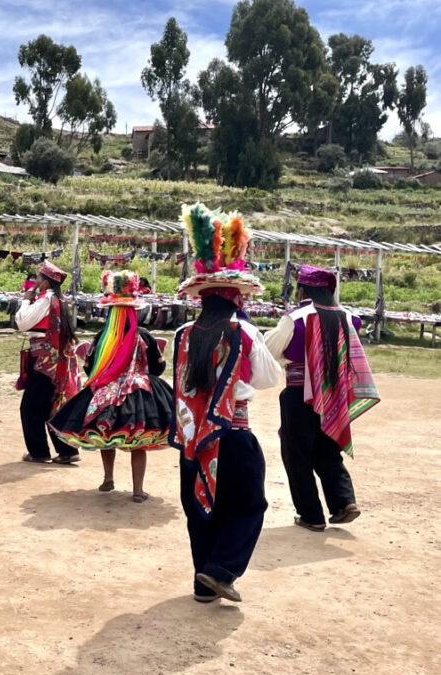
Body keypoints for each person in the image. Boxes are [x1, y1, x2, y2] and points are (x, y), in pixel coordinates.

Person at [170, 204, 282, 604]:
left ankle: (204, 585)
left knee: (200, 508)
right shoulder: (245, 333)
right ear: (237, 298)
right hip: (233, 434)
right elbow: (269, 378)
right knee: (248, 504)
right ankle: (220, 571)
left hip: (194, 440)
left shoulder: (182, 334)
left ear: (202, 298)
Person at [264, 265, 379, 531]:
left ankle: (311, 515)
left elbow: (271, 349)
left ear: (303, 289)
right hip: (334, 394)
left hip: (299, 394)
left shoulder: (296, 318)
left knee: (297, 455)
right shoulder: (350, 318)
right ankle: (343, 502)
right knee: (328, 449)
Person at [48, 270, 173, 502]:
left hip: (105, 394)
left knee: (106, 434)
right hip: (140, 394)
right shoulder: (144, 336)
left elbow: (89, 367)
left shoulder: (102, 337)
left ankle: (108, 479)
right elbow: (157, 368)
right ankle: (137, 491)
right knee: (139, 442)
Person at [14, 261, 81, 464]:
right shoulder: (57, 301)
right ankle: (66, 450)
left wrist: (26, 301)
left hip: (44, 360)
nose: (36, 282)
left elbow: (22, 322)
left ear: (45, 283)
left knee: (31, 407)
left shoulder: (45, 301)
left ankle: (39, 452)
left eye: (39, 278)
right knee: (51, 404)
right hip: (54, 359)